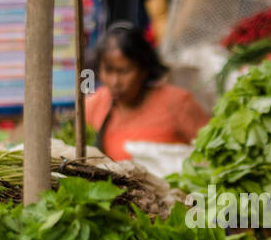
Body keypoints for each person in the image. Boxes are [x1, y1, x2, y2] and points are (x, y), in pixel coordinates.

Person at [84, 22, 209, 162]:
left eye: (124, 71)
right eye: (108, 71)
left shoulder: (178, 103)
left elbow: (212, 155)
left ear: (143, 69)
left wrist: (211, 186)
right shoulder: (92, 107)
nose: (115, 82)